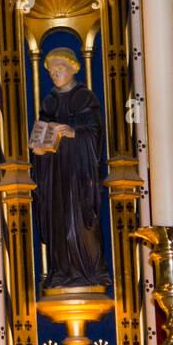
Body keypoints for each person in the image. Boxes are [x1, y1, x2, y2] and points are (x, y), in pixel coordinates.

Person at [30, 47, 110, 290]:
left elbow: (96, 131)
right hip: (55, 175)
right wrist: (38, 150)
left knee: (82, 220)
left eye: (60, 69)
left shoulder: (86, 97)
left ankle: (93, 270)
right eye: (52, 71)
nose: (55, 74)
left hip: (80, 172)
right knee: (60, 220)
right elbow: (41, 133)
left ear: (74, 67)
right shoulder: (49, 101)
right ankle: (61, 271)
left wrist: (74, 132)